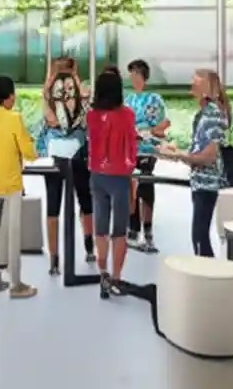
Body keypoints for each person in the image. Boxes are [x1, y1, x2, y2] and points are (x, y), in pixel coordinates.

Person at [0, 75, 38, 299]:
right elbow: (28, 152)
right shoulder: (15, 119)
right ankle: (16, 284)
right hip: (11, 182)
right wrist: (32, 145)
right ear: (10, 95)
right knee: (14, 231)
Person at [160, 69, 230, 258]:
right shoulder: (204, 113)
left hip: (207, 182)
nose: (192, 86)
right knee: (199, 236)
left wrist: (181, 156)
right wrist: (178, 153)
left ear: (207, 87)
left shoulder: (213, 114)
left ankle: (209, 277)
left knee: (199, 236)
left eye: (196, 83)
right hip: (200, 181)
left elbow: (208, 156)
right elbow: (200, 149)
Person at [38, 57, 94, 275]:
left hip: (55, 154)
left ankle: (54, 259)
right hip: (79, 151)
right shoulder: (82, 93)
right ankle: (89, 247)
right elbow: (86, 117)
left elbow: (50, 120)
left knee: (53, 205)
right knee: (85, 200)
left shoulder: (48, 95)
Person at [87, 70, 139, 299]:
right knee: (119, 230)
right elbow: (131, 146)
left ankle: (103, 273)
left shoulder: (92, 116)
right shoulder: (127, 115)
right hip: (119, 175)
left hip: (97, 173)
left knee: (100, 227)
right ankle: (117, 277)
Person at [124, 59, 170, 254]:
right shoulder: (128, 100)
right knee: (131, 186)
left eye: (136, 74)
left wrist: (148, 131)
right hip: (130, 148)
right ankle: (133, 227)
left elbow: (164, 123)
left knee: (146, 184)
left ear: (143, 76)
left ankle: (147, 227)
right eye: (131, 75)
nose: (133, 78)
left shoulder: (154, 99)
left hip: (147, 147)